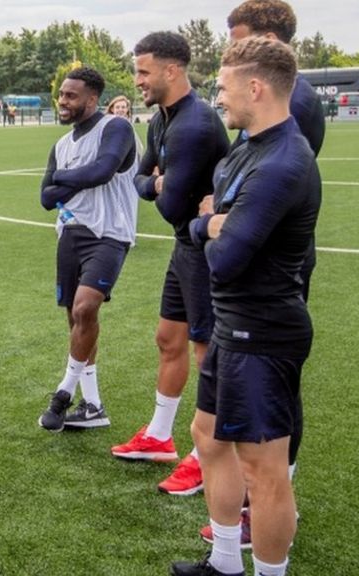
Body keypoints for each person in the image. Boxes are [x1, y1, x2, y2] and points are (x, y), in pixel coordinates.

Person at [170, 36, 320, 576]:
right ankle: (226, 563)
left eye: (225, 86)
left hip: (264, 330)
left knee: (265, 470)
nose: (219, 97)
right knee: (208, 439)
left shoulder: (282, 161)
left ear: (255, 87)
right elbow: (206, 219)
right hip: (232, 324)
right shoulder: (246, 148)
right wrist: (210, 221)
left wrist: (210, 223)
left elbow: (225, 259)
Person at [110, 31, 229, 497]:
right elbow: (140, 178)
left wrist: (159, 185)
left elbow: (168, 202)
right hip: (184, 248)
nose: (137, 80)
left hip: (206, 253)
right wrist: (156, 182)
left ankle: (205, 456)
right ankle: (160, 435)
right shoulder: (161, 120)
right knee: (168, 338)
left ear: (172, 70)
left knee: (207, 355)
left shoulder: (195, 125)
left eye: (143, 71)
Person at [36, 67, 138, 432]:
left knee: (85, 307)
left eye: (71, 96)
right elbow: (45, 198)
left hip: (110, 233)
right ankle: (93, 404)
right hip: (69, 235)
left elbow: (104, 170)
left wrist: (61, 179)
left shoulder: (115, 127)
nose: (63, 101)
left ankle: (63, 394)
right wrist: (69, 179)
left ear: (92, 99)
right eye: (61, 94)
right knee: (77, 320)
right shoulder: (62, 146)